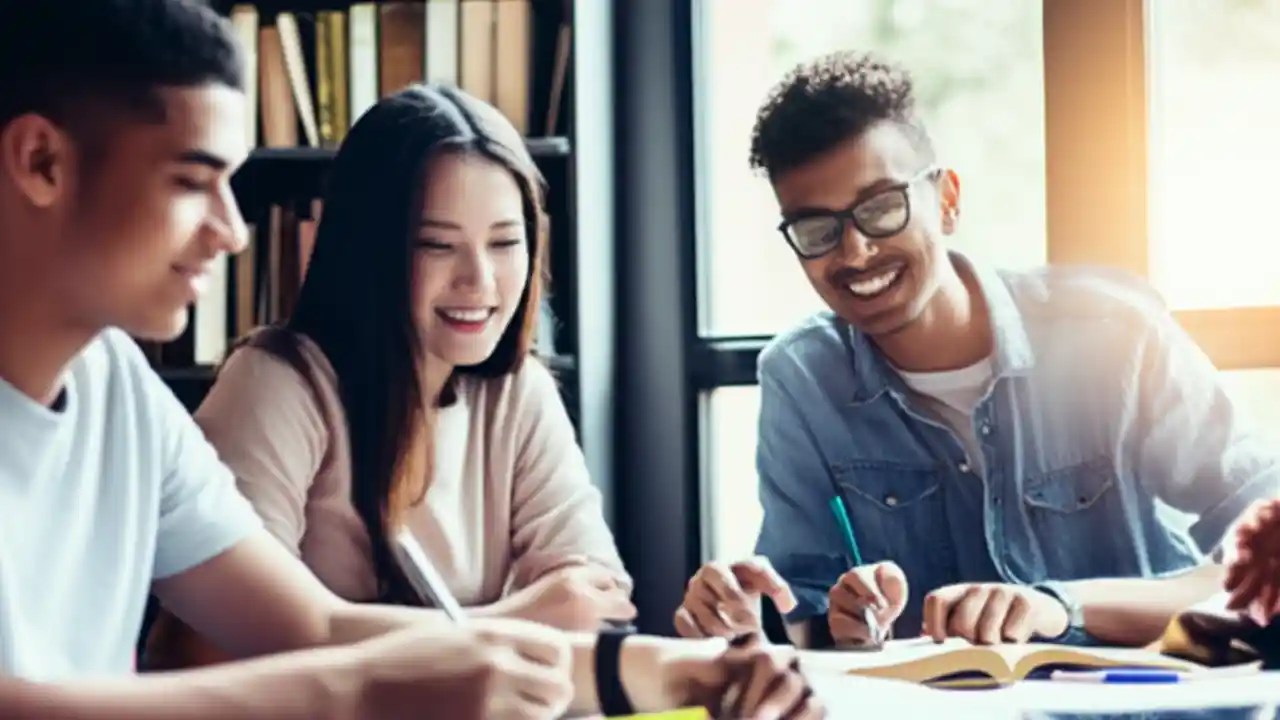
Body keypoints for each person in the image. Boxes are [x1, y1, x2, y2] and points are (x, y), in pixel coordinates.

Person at [0, 2, 824, 719]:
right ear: (41, 162)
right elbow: (232, 658)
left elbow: (314, 624)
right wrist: (374, 686)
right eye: (192, 182)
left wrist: (682, 671)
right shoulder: (276, 381)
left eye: (505, 243)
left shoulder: (121, 392)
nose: (233, 231)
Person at [674, 50, 1280, 650]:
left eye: (882, 208)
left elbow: (1264, 563)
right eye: (816, 230)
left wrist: (1057, 607)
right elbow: (802, 618)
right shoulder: (802, 377)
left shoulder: (1113, 332)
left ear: (946, 201)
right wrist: (751, 613)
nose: (855, 252)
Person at [144, 80, 633, 666]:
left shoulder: (517, 391)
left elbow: (594, 604)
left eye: (505, 243)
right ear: (370, 251)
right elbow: (214, 642)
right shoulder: (278, 384)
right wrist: (515, 621)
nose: (479, 280)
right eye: (437, 245)